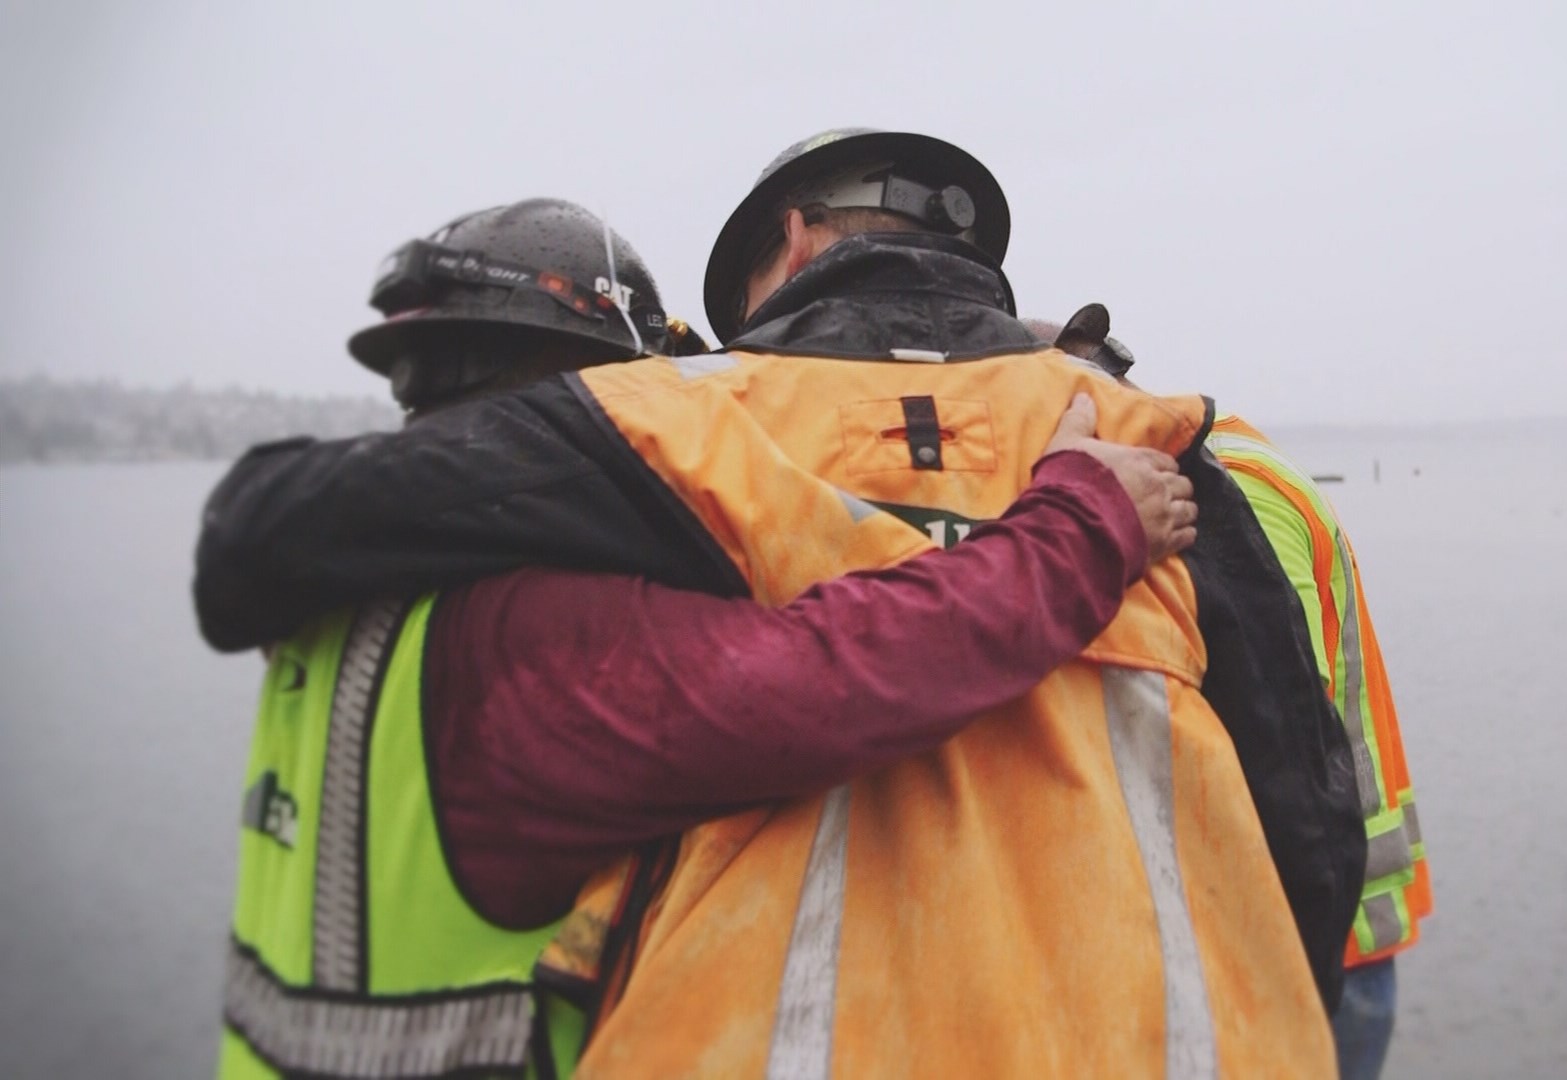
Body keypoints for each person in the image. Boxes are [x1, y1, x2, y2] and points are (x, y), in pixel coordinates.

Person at [194, 130, 1365, 1076]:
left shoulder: (684, 424)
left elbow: (268, 523)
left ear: (792, 239)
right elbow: (1301, 819)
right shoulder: (1152, 436)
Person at [1034, 304, 1432, 1080]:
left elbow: (1277, 726)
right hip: (1321, 924)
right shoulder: (1220, 466)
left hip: (1318, 941)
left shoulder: (1234, 494)